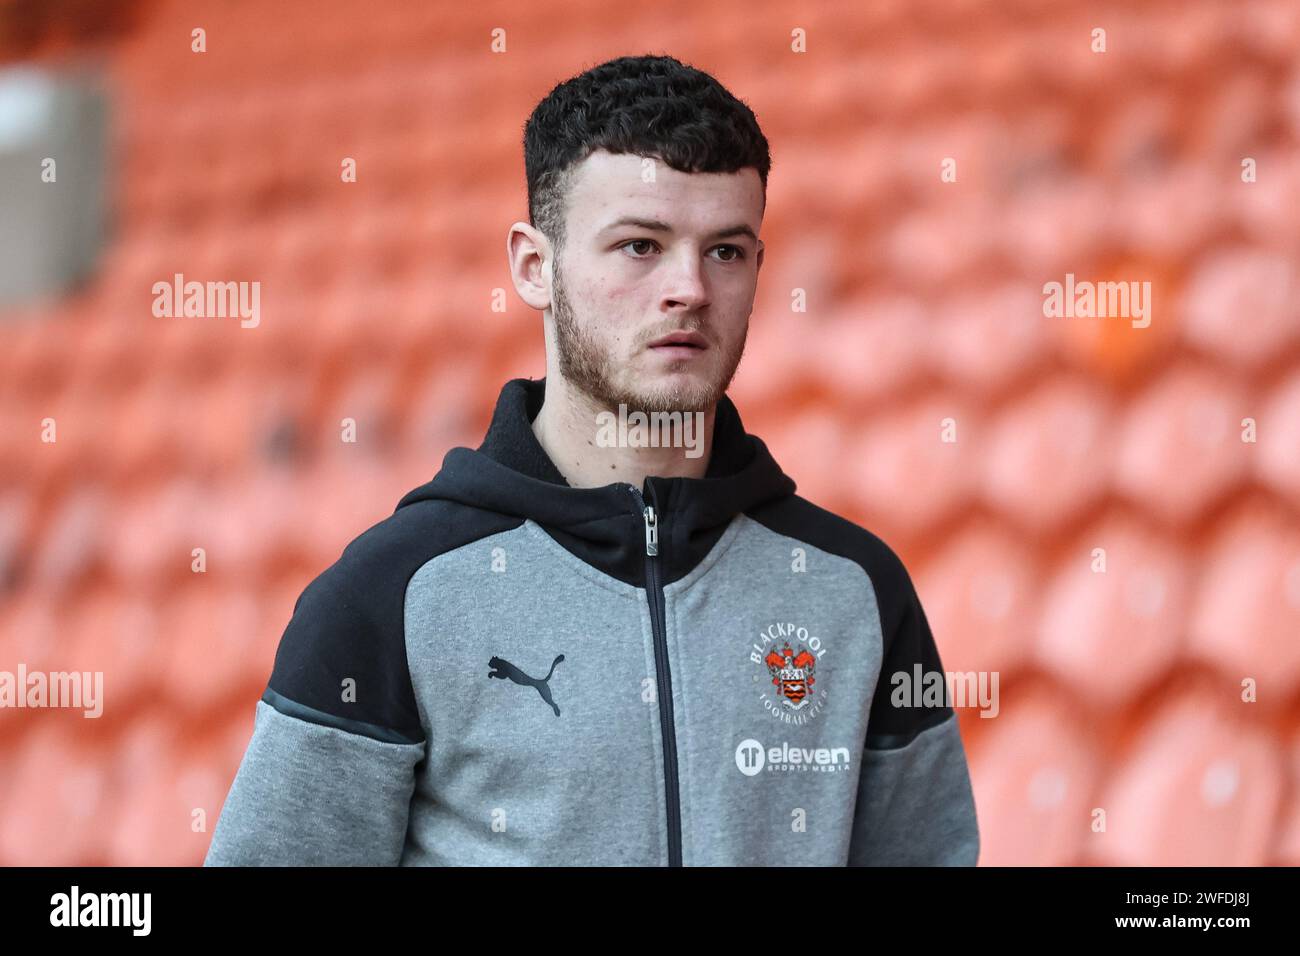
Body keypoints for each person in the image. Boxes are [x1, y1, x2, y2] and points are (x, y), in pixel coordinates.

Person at [205, 53, 979, 866]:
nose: (689, 288)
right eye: (641, 246)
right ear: (535, 268)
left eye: (726, 251)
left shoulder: (853, 590)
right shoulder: (390, 597)